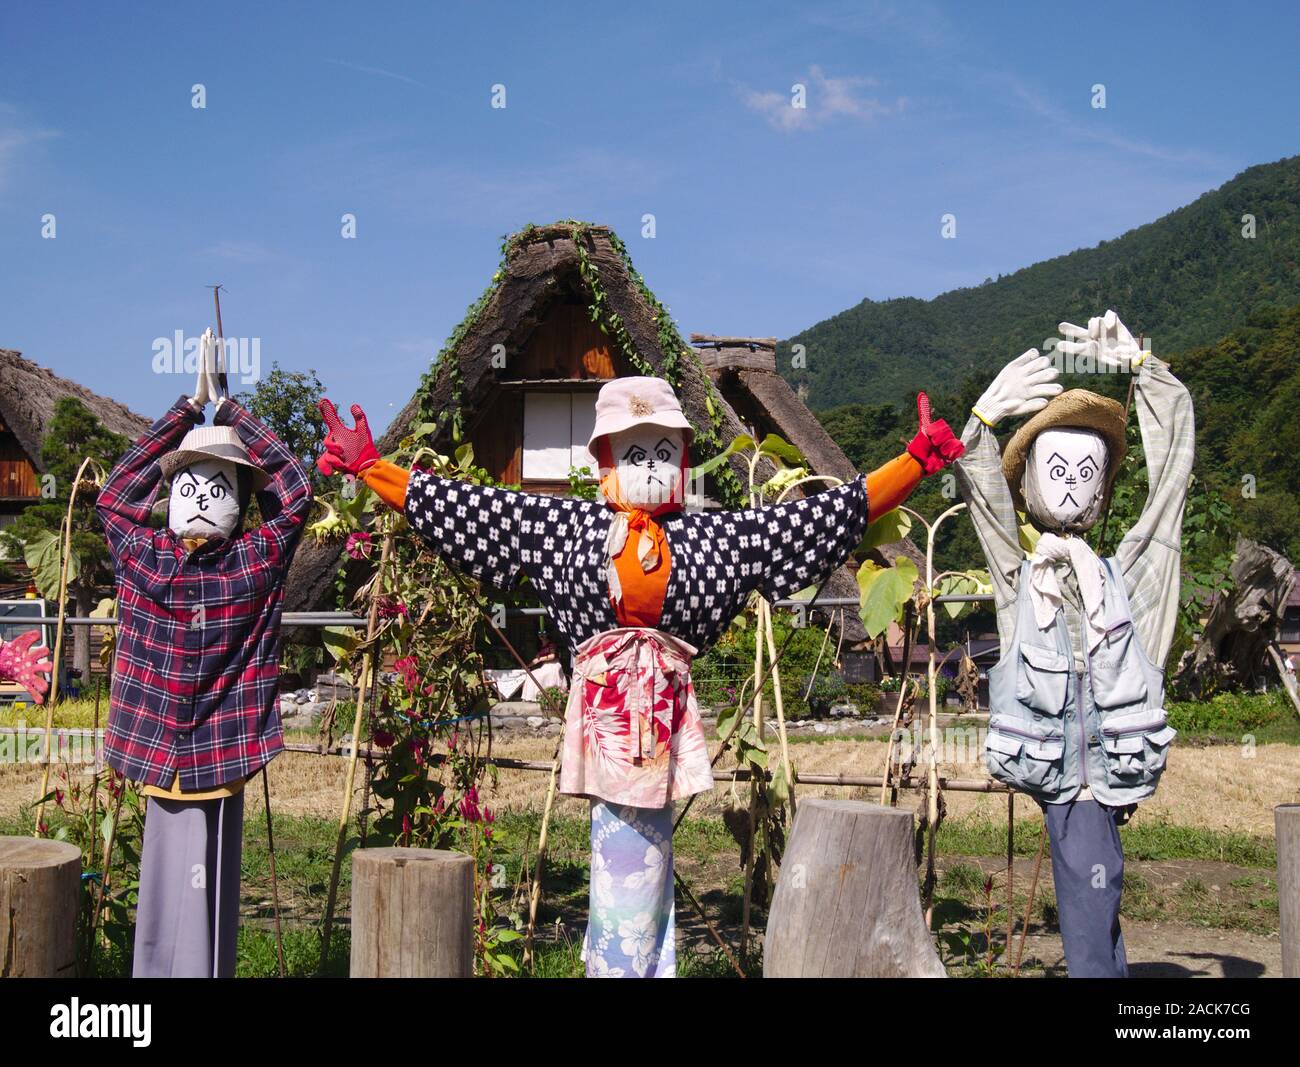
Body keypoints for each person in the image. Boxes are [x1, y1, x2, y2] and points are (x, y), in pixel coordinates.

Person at [315, 375, 964, 977]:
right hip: (608, 717)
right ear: (604, 465)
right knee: (625, 864)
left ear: (681, 462)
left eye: (662, 452)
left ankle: (634, 963)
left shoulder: (715, 537)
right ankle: (627, 964)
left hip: (661, 714)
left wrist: (912, 464)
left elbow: (810, 521)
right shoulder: (562, 527)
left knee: (637, 867)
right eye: (634, 453)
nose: (650, 466)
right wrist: (373, 468)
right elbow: (467, 506)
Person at [954, 311, 1194, 977]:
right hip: (1062, 781)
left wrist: (1147, 373)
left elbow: (1170, 485)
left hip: (1102, 780)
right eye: (1054, 468)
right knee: (1094, 916)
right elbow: (985, 509)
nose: (1068, 484)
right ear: (1025, 481)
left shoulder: (1125, 581)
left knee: (1095, 917)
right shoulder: (1021, 582)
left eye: (1086, 471)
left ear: (1105, 485)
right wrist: (980, 423)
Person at [96, 331, 312, 977]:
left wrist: (193, 410)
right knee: (202, 889)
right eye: (192, 487)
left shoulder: (153, 559)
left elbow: (116, 494)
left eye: (218, 489)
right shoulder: (247, 560)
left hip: (175, 756)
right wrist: (222, 407)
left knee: (174, 893)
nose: (200, 500)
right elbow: (295, 489)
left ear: (238, 504)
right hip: (212, 757)